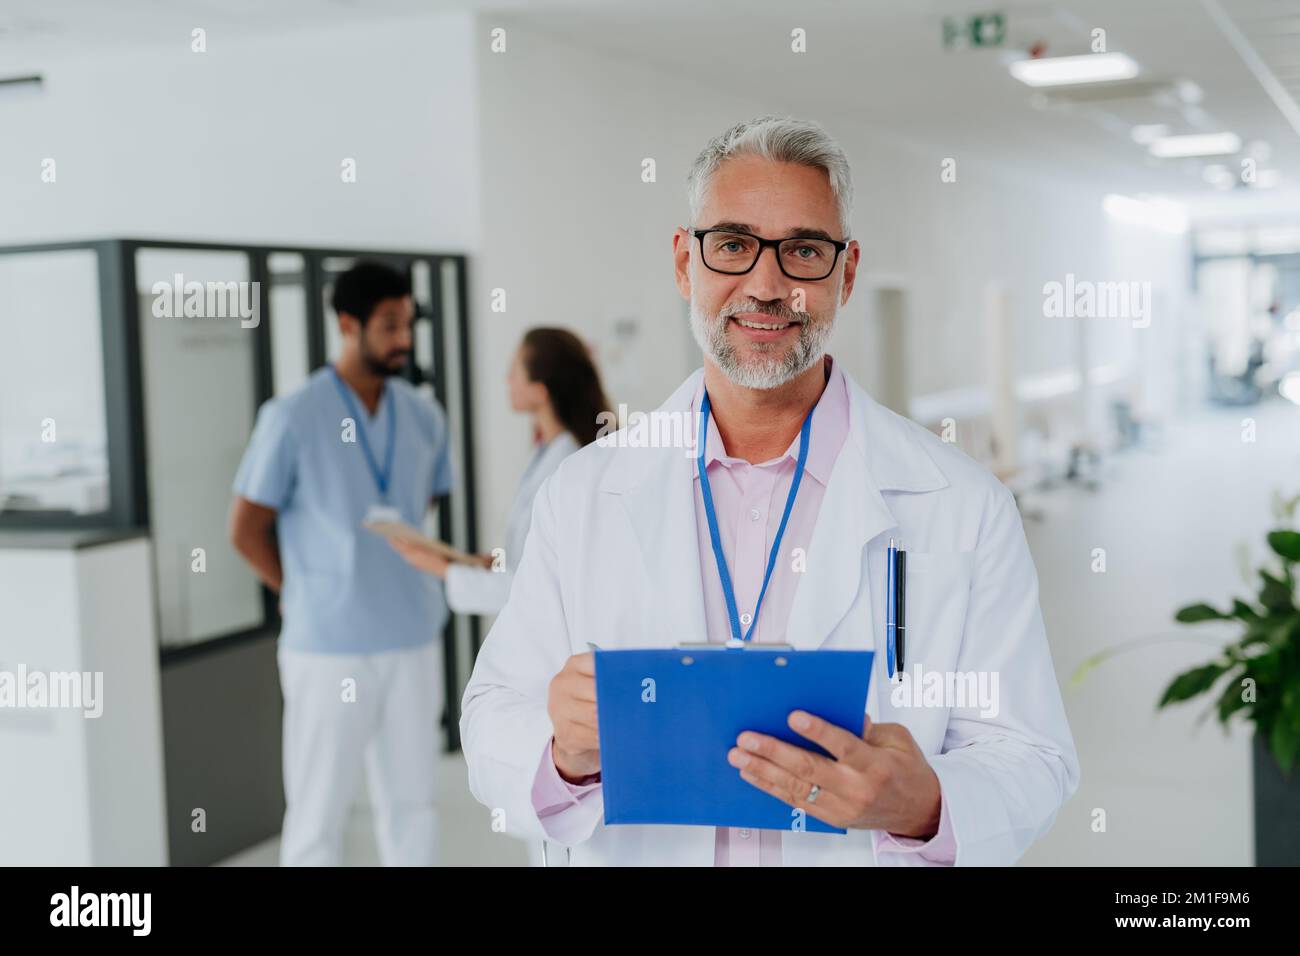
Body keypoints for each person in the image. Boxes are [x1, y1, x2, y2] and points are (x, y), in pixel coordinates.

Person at [460, 116, 1080, 866]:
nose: (765, 284)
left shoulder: (961, 505)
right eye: (732, 245)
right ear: (685, 263)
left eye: (804, 251)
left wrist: (925, 804)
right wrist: (561, 751)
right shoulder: (585, 493)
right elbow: (493, 716)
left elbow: (1033, 756)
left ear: (846, 273)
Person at [229, 260, 454, 866]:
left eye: (407, 324)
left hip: (412, 635)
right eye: (388, 326)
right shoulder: (293, 417)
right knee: (317, 811)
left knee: (413, 805)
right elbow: (246, 529)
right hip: (328, 647)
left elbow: (422, 505)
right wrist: (298, 588)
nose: (403, 340)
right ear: (347, 324)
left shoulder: (424, 416)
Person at [389, 327, 610, 617]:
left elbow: (531, 587)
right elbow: (539, 558)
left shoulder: (567, 462)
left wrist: (441, 567)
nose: (507, 380)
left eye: (514, 371)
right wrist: (493, 564)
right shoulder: (548, 453)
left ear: (539, 390)